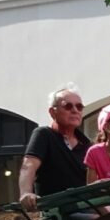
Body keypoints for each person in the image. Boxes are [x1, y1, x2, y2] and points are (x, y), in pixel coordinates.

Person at [18, 84, 92, 212]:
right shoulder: (44, 134)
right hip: (56, 213)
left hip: (85, 207)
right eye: (68, 106)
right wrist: (25, 193)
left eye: (79, 107)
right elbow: (28, 166)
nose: (75, 110)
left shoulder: (86, 144)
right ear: (53, 112)